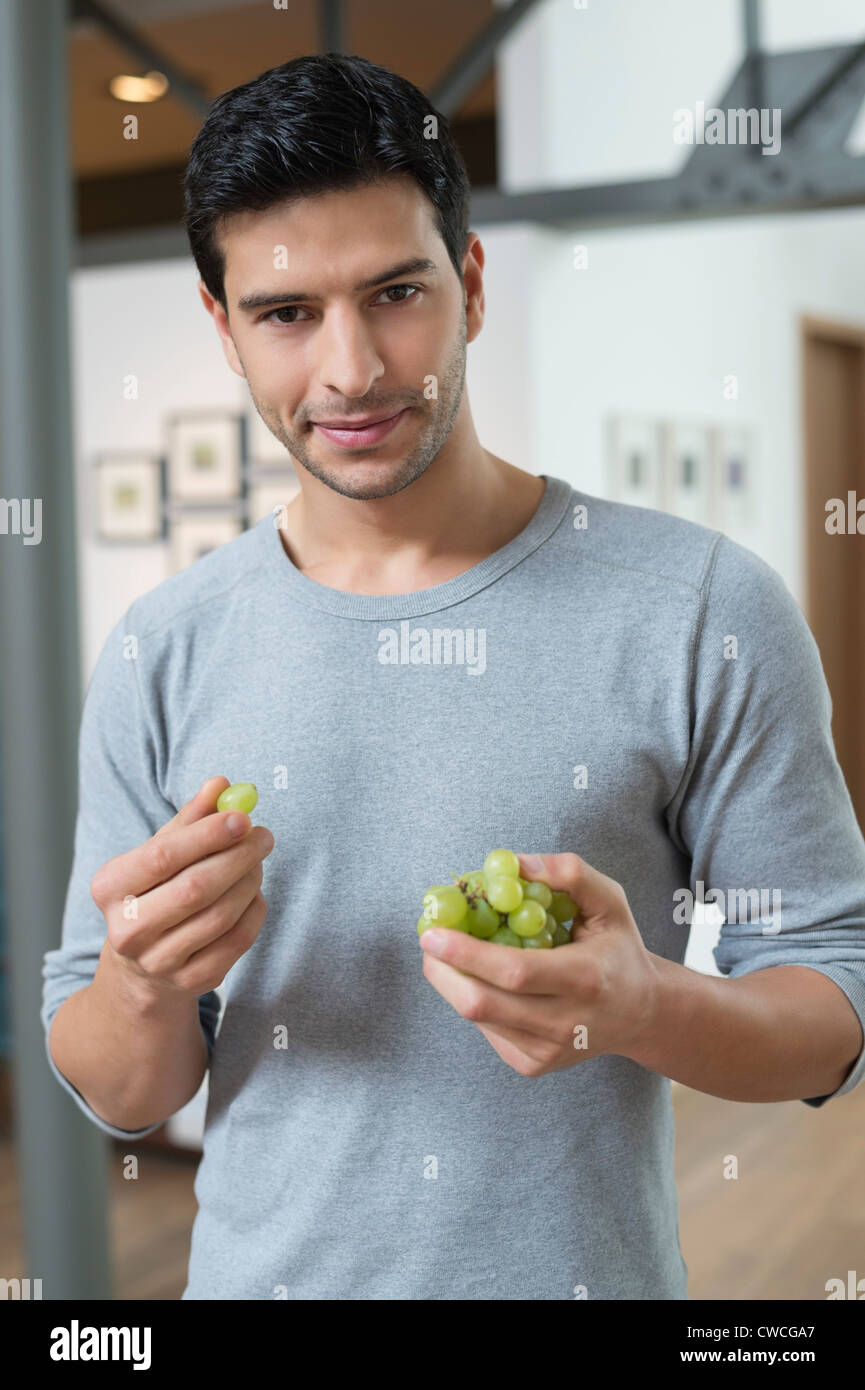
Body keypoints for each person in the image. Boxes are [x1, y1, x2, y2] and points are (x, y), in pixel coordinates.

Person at [42, 53, 865, 1301]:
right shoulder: (167, 646)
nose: (352, 369)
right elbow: (120, 1086)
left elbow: (831, 999)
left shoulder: (700, 607)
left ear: (471, 285)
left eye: (394, 293)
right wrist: (141, 982)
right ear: (224, 330)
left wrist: (641, 1004)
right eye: (285, 314)